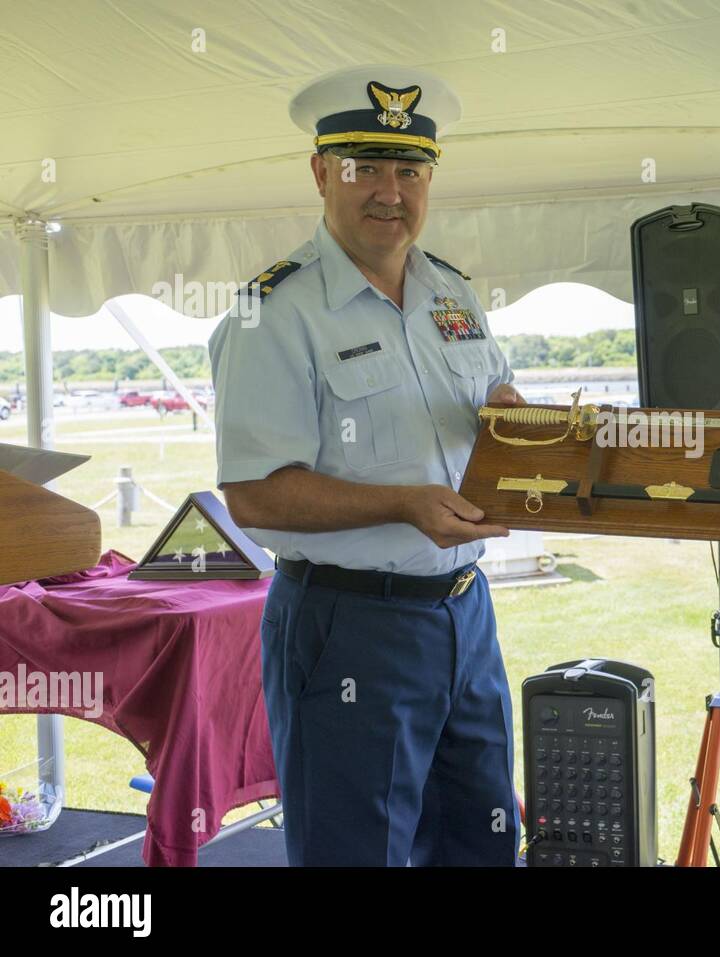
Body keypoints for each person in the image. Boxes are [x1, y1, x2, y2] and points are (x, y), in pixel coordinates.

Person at [208, 65, 523, 866]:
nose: (391, 191)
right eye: (366, 169)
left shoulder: (452, 294)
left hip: (464, 612)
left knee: (481, 837)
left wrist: (535, 426)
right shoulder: (271, 313)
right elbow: (254, 494)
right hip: (350, 624)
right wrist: (403, 504)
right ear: (322, 173)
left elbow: (497, 405)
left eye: (410, 170)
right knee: (360, 849)